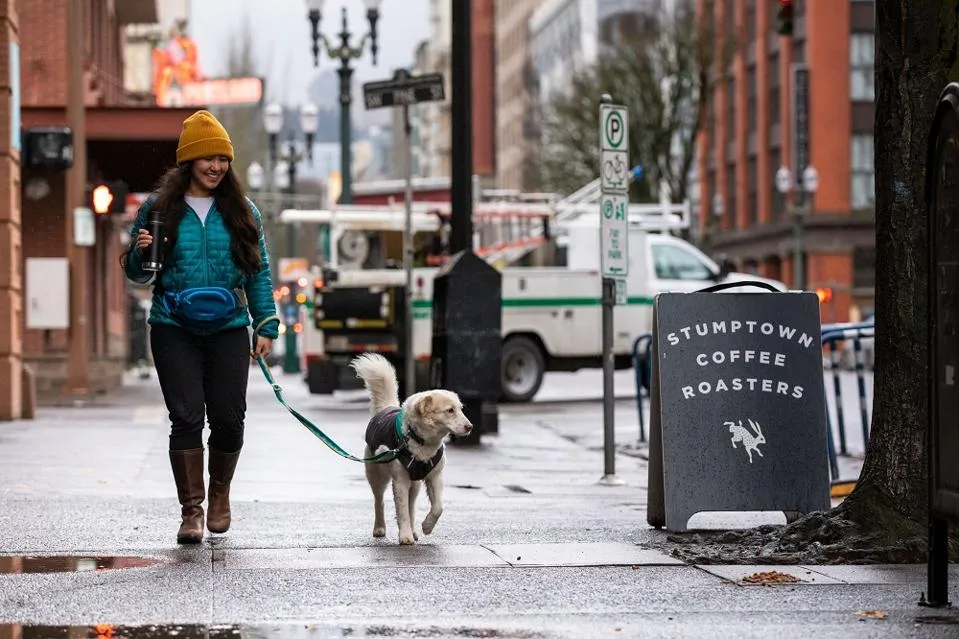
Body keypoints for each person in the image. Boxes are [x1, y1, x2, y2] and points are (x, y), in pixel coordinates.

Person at [120, 110, 280, 544]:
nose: (216, 167)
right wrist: (139, 253)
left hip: (229, 324)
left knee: (229, 418)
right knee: (186, 416)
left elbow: (258, 271)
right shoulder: (158, 208)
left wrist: (266, 323)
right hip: (173, 324)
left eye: (223, 159)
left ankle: (220, 493)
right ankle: (191, 511)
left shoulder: (242, 211)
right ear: (188, 161)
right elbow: (138, 273)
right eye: (207, 158)